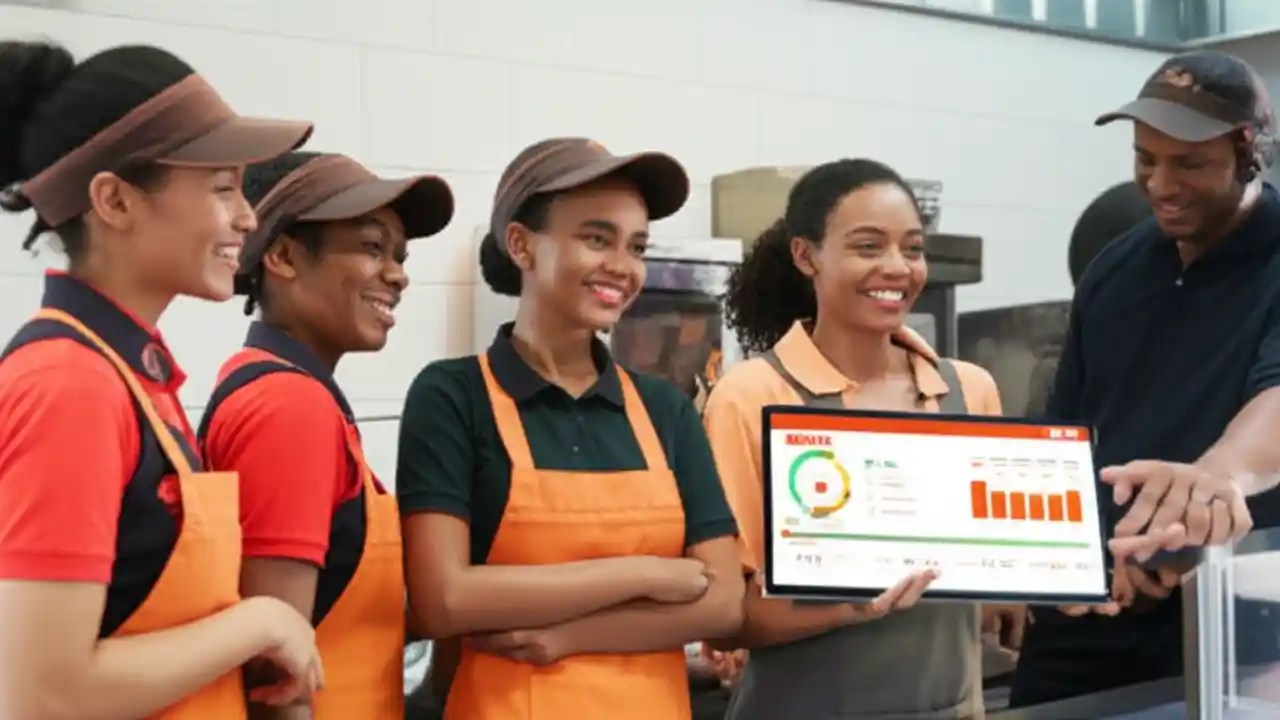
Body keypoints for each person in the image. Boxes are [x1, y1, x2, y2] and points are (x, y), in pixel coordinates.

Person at [0, 41, 323, 719]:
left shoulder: (129, 376)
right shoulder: (70, 385)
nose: (249, 217)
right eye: (221, 186)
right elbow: (42, 693)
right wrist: (259, 622)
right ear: (115, 201)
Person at [396, 137, 744, 720]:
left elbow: (725, 602)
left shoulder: (664, 409)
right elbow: (443, 600)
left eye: (636, 246)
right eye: (596, 238)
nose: (622, 266)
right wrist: (646, 574)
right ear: (521, 245)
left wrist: (568, 636)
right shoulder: (453, 396)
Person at [1009, 50, 1280, 707]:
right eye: (1144, 159)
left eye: (1188, 163)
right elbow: (1064, 437)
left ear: (1248, 153)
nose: (1160, 184)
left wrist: (1209, 492)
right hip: (1091, 613)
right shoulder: (1115, 270)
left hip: (1238, 621)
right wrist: (1071, 558)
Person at [701, 158, 1006, 719]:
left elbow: (983, 594)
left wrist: (1070, 578)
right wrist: (855, 604)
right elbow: (726, 619)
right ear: (805, 255)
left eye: (912, 249)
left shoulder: (970, 391)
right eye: (868, 247)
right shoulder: (751, 398)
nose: (897, 268)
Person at [197, 151, 454, 718]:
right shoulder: (290, 407)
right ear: (284, 256)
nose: (398, 273)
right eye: (370, 247)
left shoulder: (279, 390)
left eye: (399, 255)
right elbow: (275, 675)